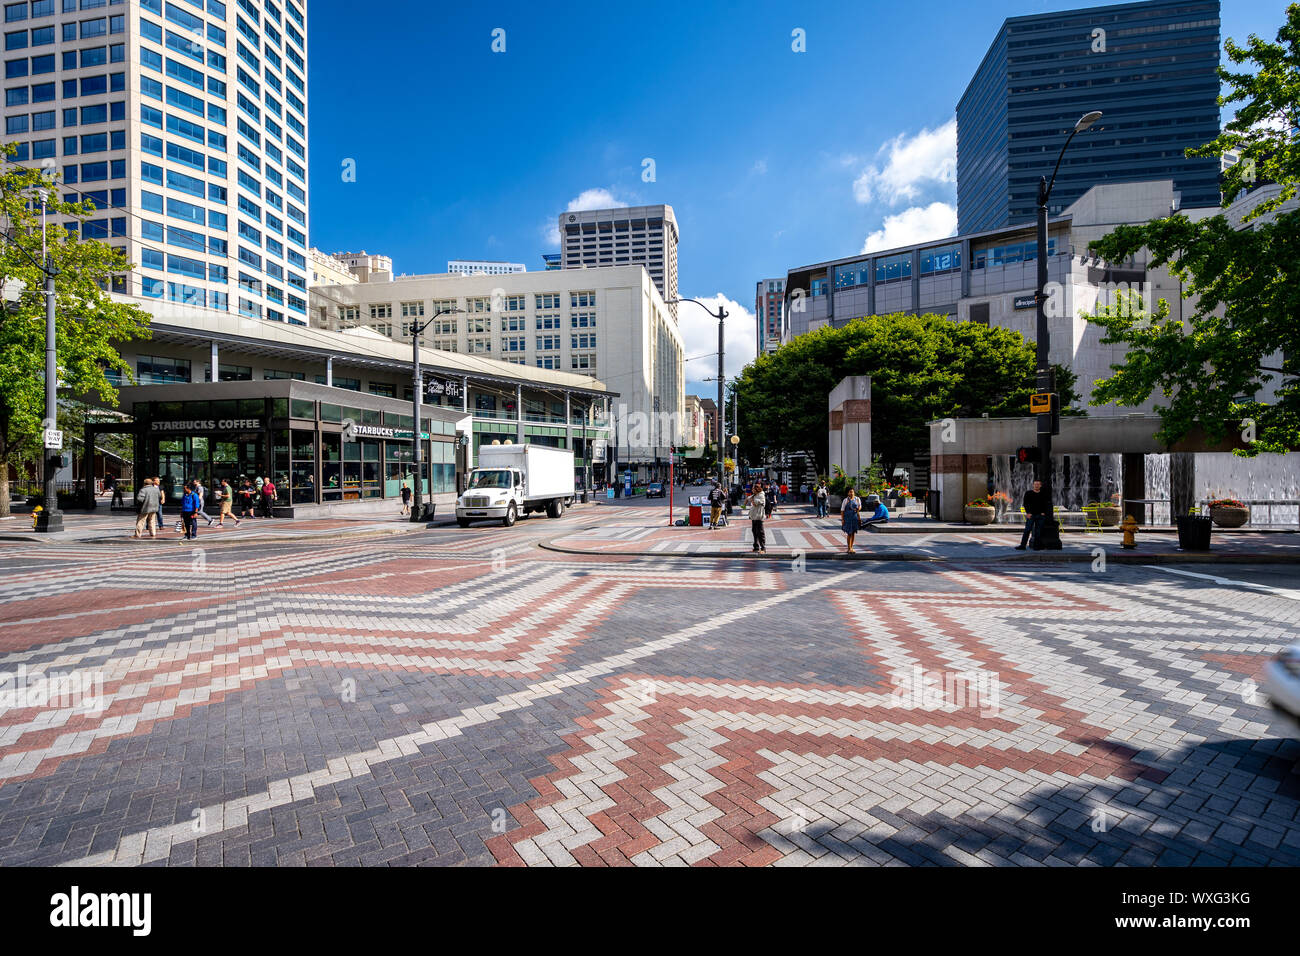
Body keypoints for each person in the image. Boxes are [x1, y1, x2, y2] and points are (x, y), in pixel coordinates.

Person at [1016, 479, 1050, 550]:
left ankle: (1036, 546)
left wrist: (1044, 512)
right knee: (1027, 530)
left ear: (1040, 485)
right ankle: (1023, 545)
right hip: (1031, 515)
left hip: (1040, 516)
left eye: (1038, 484)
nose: (1036, 485)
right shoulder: (1028, 493)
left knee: (1038, 531)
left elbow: (1046, 504)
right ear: (1033, 485)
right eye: (1035, 484)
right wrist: (1027, 513)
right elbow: (1025, 504)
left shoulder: (1043, 494)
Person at [747, 482, 767, 553]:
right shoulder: (755, 495)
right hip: (754, 516)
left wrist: (752, 499)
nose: (752, 490)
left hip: (759, 516)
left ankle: (763, 548)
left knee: (760, 532)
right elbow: (748, 499)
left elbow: (755, 504)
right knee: (754, 531)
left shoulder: (761, 495)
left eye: (753, 489)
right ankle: (756, 547)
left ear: (757, 489)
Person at [841, 487, 862, 554]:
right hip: (847, 518)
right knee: (849, 533)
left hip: (855, 517)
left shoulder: (857, 499)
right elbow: (842, 510)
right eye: (850, 492)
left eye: (852, 491)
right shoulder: (845, 500)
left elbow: (860, 506)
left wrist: (859, 508)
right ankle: (849, 548)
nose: (852, 493)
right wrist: (843, 519)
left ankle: (851, 547)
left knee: (853, 533)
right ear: (848, 493)